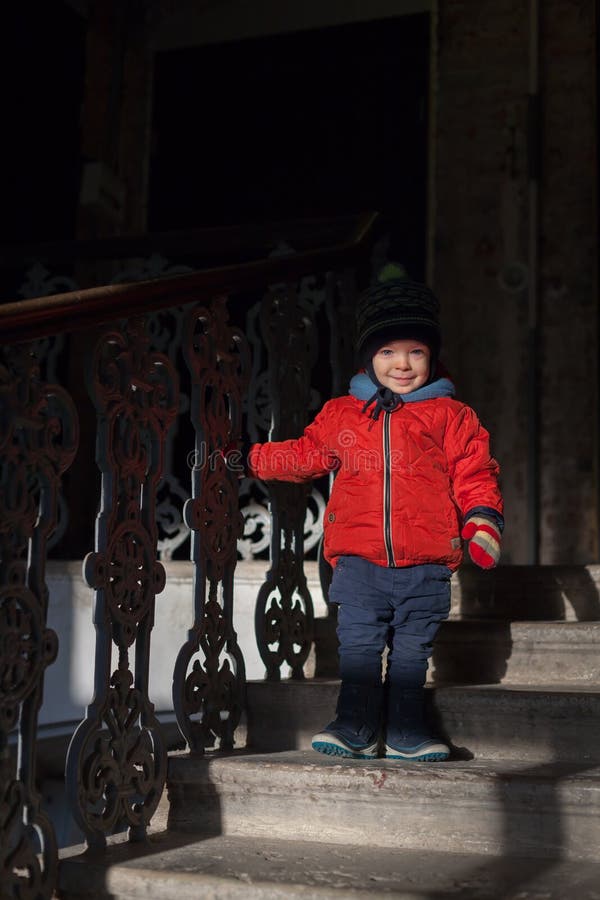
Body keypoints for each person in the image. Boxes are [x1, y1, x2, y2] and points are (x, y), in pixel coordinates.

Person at [247, 266, 504, 762]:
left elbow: (476, 472)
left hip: (426, 564)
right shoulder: (344, 413)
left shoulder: (453, 417)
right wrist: (253, 458)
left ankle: (407, 728)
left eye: (416, 352)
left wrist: (481, 519)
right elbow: (306, 455)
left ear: (432, 355)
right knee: (360, 649)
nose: (402, 364)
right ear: (369, 357)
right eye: (387, 352)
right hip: (359, 562)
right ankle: (355, 725)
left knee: (411, 654)